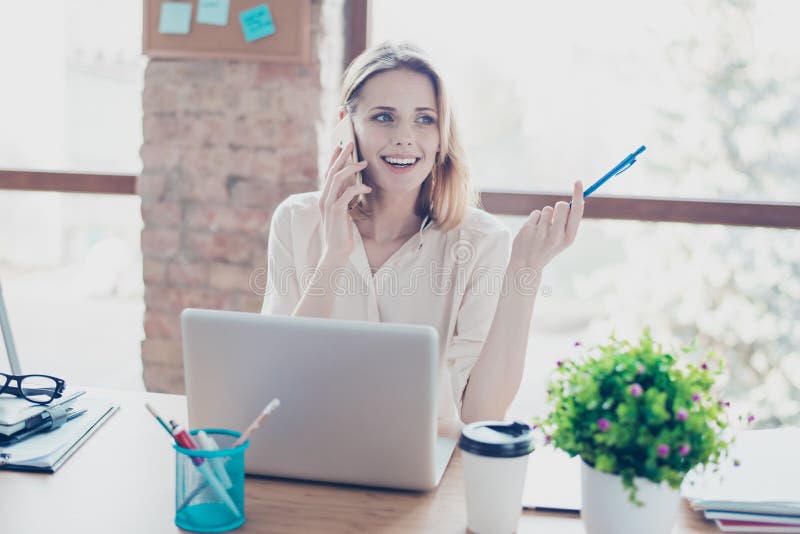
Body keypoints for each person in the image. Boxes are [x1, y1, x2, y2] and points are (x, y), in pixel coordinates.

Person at [261, 42, 584, 424]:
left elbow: (482, 413)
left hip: (428, 469)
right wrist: (333, 255)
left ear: (441, 136)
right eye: (384, 117)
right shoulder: (297, 221)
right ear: (346, 127)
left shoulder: (481, 242)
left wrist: (524, 269)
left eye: (424, 119)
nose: (404, 137)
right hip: (311, 448)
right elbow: (278, 385)